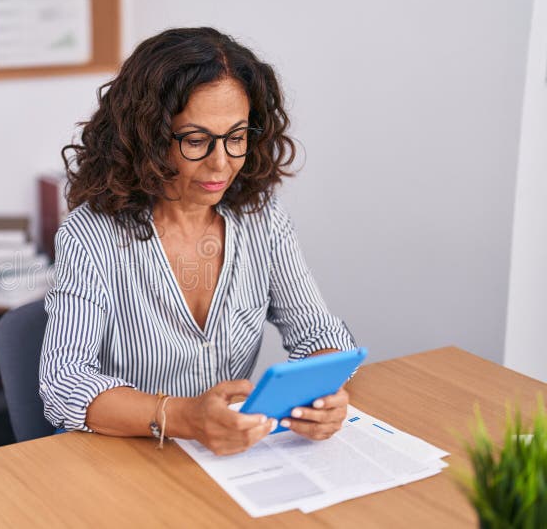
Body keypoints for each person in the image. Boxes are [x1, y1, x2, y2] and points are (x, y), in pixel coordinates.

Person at [39, 27, 356, 456]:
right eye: (195, 140)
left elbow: (317, 332)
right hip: (127, 457)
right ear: (148, 138)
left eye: (237, 137)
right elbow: (64, 382)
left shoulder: (262, 219)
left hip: (230, 459)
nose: (221, 163)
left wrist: (322, 397)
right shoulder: (91, 236)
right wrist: (187, 418)